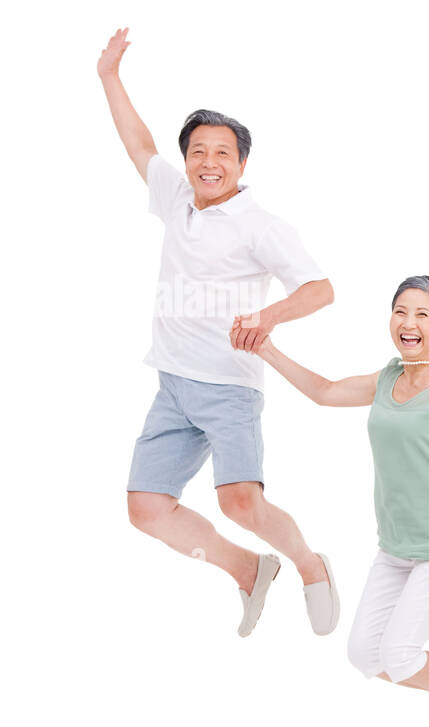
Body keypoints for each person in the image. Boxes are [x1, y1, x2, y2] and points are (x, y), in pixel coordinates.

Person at [99, 28, 340, 637]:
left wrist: (267, 317)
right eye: (198, 152)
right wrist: (109, 77)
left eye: (222, 153)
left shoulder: (261, 225)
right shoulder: (176, 197)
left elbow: (320, 290)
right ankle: (248, 571)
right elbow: (138, 143)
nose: (209, 163)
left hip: (230, 388)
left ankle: (311, 565)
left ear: (242, 163)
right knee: (146, 508)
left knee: (241, 502)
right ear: (188, 161)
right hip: (173, 386)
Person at [255, 276, 429, 727]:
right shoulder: (385, 380)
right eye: (400, 311)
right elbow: (325, 391)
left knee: (399, 655)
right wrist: (266, 349)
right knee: (363, 656)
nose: (409, 323)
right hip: (395, 546)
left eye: (422, 314)